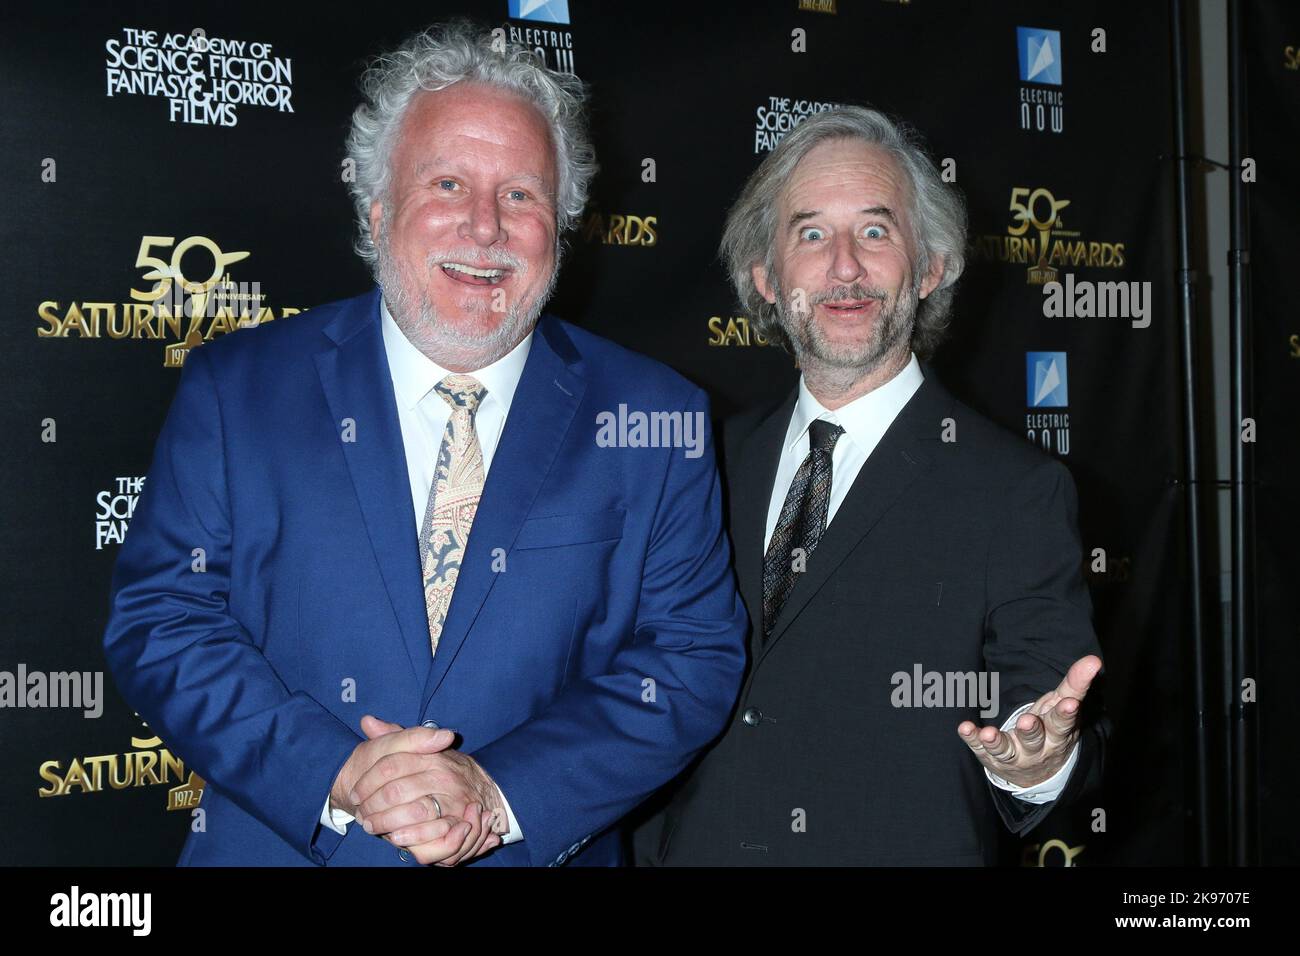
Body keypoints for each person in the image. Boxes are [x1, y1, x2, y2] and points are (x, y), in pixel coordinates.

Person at [102, 21, 746, 868]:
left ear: (562, 222)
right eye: (447, 182)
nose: (485, 227)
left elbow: (691, 657)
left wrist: (500, 793)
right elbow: (163, 619)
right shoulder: (239, 389)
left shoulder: (658, 419)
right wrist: (332, 773)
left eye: (522, 194)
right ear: (378, 208)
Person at [638, 106, 1108, 866]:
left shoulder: (1017, 490)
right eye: (811, 233)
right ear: (765, 276)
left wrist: (1039, 762)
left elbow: (1041, 709)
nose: (846, 266)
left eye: (877, 231)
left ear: (929, 268)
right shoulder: (697, 464)